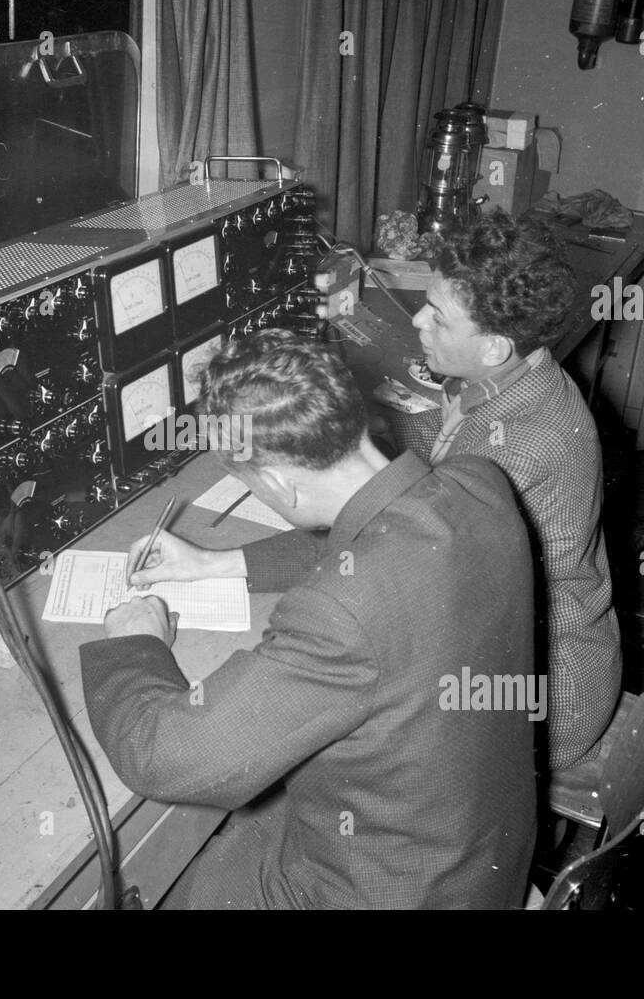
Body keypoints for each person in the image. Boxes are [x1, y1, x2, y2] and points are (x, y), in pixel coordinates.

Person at [78, 330, 539, 909]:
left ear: (273, 483)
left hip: (394, 889)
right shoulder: (476, 481)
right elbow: (370, 537)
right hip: (473, 850)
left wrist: (135, 643)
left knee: (171, 883)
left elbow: (161, 756)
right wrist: (216, 564)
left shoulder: (337, 616)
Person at [387, 210, 622, 769]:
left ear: (493, 347)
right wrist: (365, 417)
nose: (418, 320)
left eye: (437, 318)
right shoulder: (523, 375)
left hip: (536, 703)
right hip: (540, 651)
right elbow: (452, 431)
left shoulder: (516, 450)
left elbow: (408, 571)